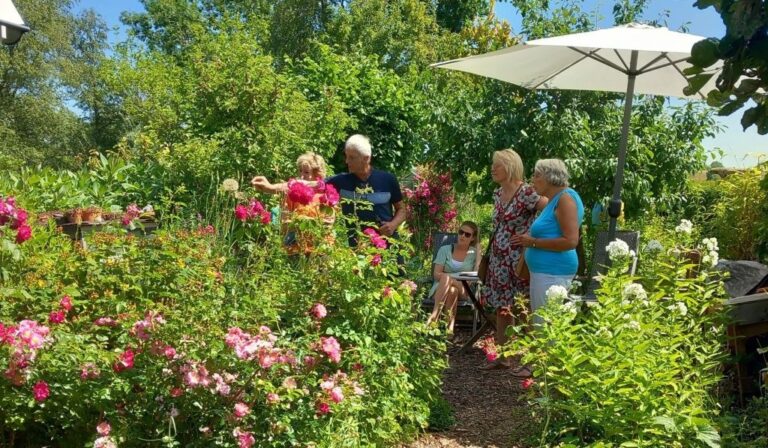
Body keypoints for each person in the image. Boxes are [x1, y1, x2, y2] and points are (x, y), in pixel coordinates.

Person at [253, 135, 407, 244]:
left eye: (352, 157)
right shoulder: (341, 181)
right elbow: (307, 185)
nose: (347, 161)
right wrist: (271, 188)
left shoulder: (387, 179)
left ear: (366, 158)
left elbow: (402, 209)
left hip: (388, 247)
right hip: (358, 249)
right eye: (346, 156)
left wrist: (393, 225)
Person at [482, 149, 547, 370]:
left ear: (509, 166)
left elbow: (552, 210)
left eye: (497, 165)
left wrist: (533, 237)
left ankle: (532, 362)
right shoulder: (498, 193)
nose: (492, 168)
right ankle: (504, 356)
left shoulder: (527, 192)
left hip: (519, 260)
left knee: (523, 308)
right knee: (502, 308)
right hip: (498, 259)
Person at [511, 158, 584, 327]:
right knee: (542, 325)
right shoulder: (555, 199)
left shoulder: (565, 199)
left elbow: (571, 241)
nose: (532, 180)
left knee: (546, 327)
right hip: (545, 272)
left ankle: (550, 355)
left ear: (550, 177)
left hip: (553, 273)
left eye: (536, 175)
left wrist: (533, 242)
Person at [426, 221, 481, 335]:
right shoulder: (445, 249)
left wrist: (479, 249)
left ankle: (434, 315)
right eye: (461, 232)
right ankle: (449, 328)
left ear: (472, 238)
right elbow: (436, 274)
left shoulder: (474, 253)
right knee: (452, 290)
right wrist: (452, 279)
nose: (462, 236)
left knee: (446, 277)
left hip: (464, 287)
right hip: (440, 287)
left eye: (467, 234)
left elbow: (476, 273)